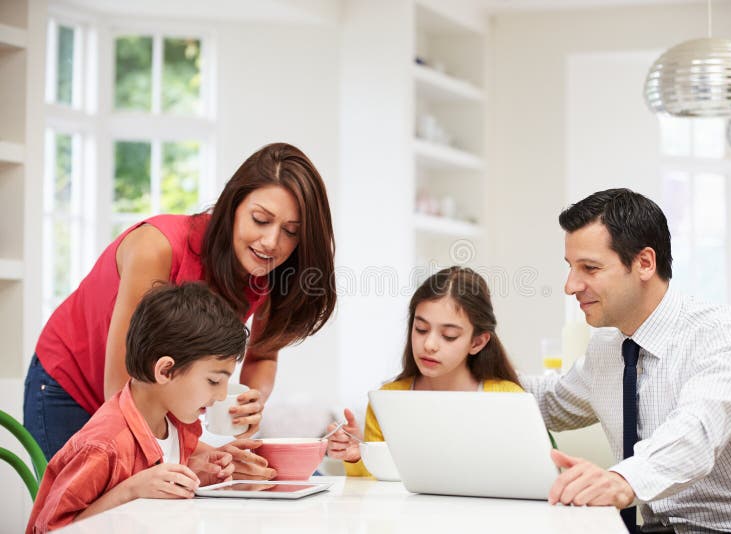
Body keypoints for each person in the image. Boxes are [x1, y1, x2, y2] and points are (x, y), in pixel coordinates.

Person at [24, 142, 337, 464]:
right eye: (260, 220)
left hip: (147, 401)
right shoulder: (157, 248)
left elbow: (264, 355)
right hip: (69, 387)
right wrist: (195, 453)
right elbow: (121, 386)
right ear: (232, 206)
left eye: (290, 232)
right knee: (83, 512)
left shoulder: (271, 273)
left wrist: (250, 401)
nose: (272, 242)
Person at [523, 188, 731, 533]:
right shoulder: (609, 347)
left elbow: (696, 431)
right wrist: (466, 369)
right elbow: (550, 401)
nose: (570, 286)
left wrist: (622, 480)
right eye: (570, 268)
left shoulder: (722, 333)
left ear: (644, 263)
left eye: (589, 268)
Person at [27, 282, 273, 533]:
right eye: (213, 381)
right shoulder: (103, 445)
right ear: (165, 370)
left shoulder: (177, 425)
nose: (221, 396)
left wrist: (199, 473)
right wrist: (130, 492)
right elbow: (51, 529)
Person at [327, 266, 524, 476]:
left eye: (448, 335)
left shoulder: (509, 399)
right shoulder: (387, 399)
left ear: (477, 342)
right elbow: (377, 488)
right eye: (421, 329)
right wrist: (360, 456)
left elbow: (526, 477)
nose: (429, 344)